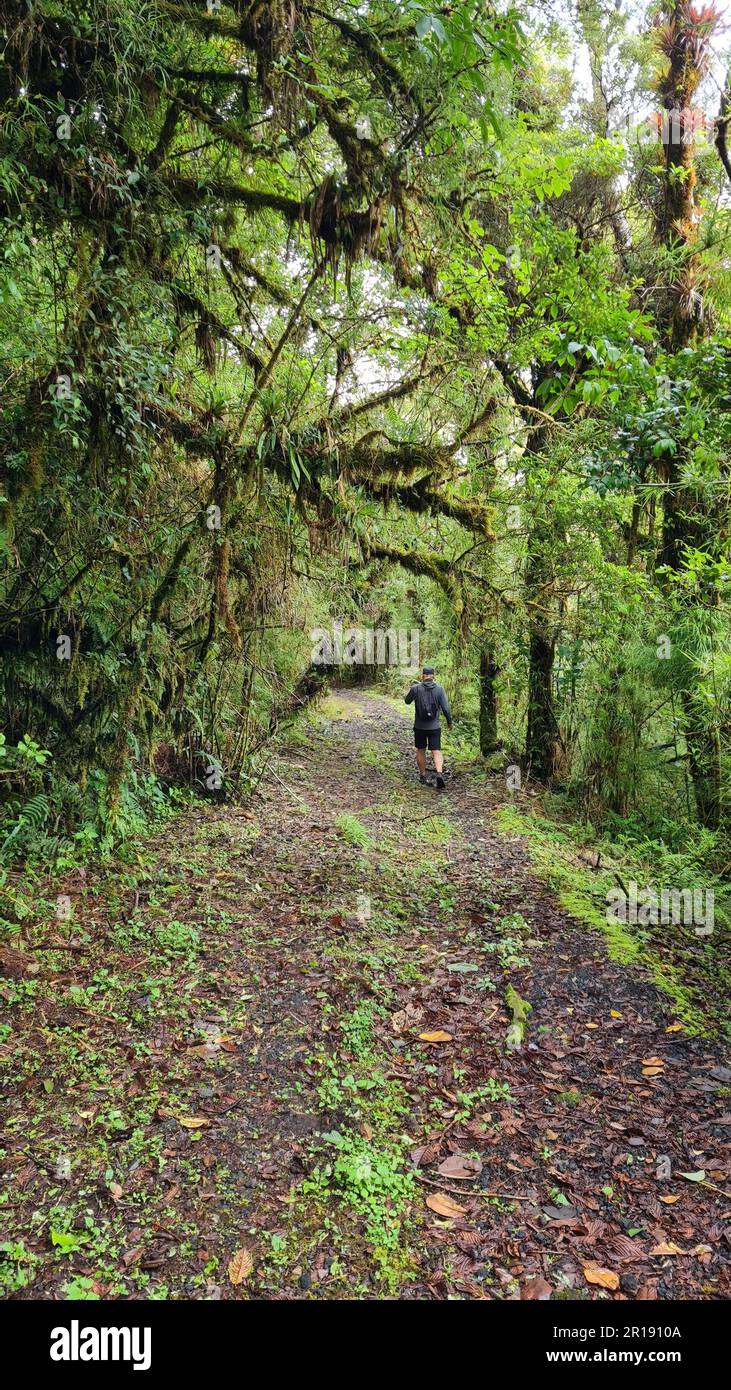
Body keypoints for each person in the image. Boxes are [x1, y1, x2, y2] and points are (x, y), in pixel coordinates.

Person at [405, 665, 453, 788]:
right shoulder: (440, 689)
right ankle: (439, 773)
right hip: (434, 726)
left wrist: (412, 691)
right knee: (436, 750)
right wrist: (449, 722)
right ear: (433, 676)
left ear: (423, 676)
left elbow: (407, 701)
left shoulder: (416, 688)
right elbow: (446, 709)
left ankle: (422, 775)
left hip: (419, 726)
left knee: (421, 750)